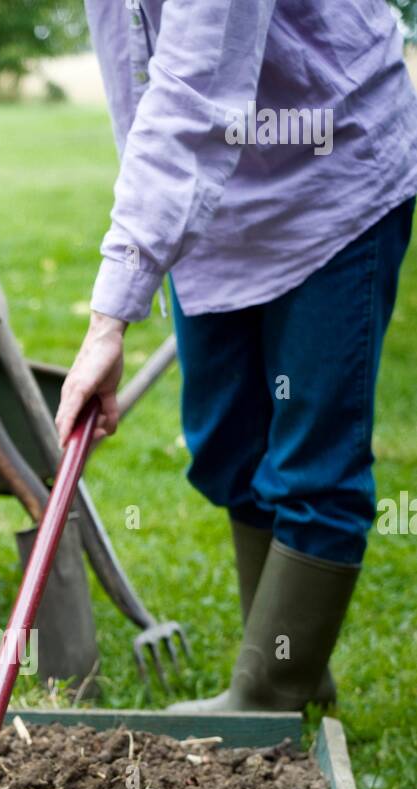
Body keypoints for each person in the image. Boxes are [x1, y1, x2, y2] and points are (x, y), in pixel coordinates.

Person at [55, 1, 417, 710]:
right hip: (208, 200)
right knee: (227, 447)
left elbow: (195, 86)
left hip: (330, 175)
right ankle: (300, 669)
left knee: (312, 465)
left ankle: (267, 696)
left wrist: (110, 318)